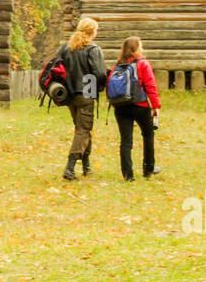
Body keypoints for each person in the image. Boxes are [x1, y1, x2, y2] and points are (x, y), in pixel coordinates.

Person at [106, 35, 161, 181]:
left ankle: (128, 175)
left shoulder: (117, 66)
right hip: (139, 105)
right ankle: (148, 169)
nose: (142, 49)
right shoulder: (142, 64)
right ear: (134, 49)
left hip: (121, 107)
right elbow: (150, 86)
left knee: (126, 141)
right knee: (148, 135)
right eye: (140, 46)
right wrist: (155, 106)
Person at [59, 16, 107, 181]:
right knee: (83, 129)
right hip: (87, 90)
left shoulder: (66, 48)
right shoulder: (92, 49)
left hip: (69, 94)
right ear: (92, 31)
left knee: (82, 127)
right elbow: (100, 73)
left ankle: (86, 166)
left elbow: (58, 68)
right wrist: (99, 87)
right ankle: (70, 168)